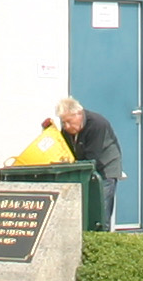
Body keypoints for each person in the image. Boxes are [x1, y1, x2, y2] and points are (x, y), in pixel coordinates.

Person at [52, 96, 124, 228]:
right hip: (86, 165)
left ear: (79, 114)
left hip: (106, 166)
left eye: (69, 122)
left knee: (101, 208)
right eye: (63, 123)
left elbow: (92, 156)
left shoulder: (97, 124)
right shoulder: (68, 128)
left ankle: (102, 236)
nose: (66, 126)